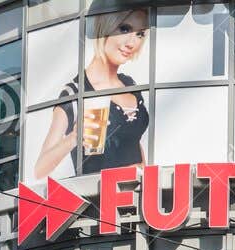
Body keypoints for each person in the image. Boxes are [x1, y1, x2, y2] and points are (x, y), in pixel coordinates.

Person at [35, 9, 151, 180]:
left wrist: (145, 174)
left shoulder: (129, 84)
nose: (132, 43)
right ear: (104, 27)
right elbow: (40, 170)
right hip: (99, 199)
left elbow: (133, 141)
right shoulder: (75, 92)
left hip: (136, 199)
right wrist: (73, 138)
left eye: (140, 34)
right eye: (125, 29)